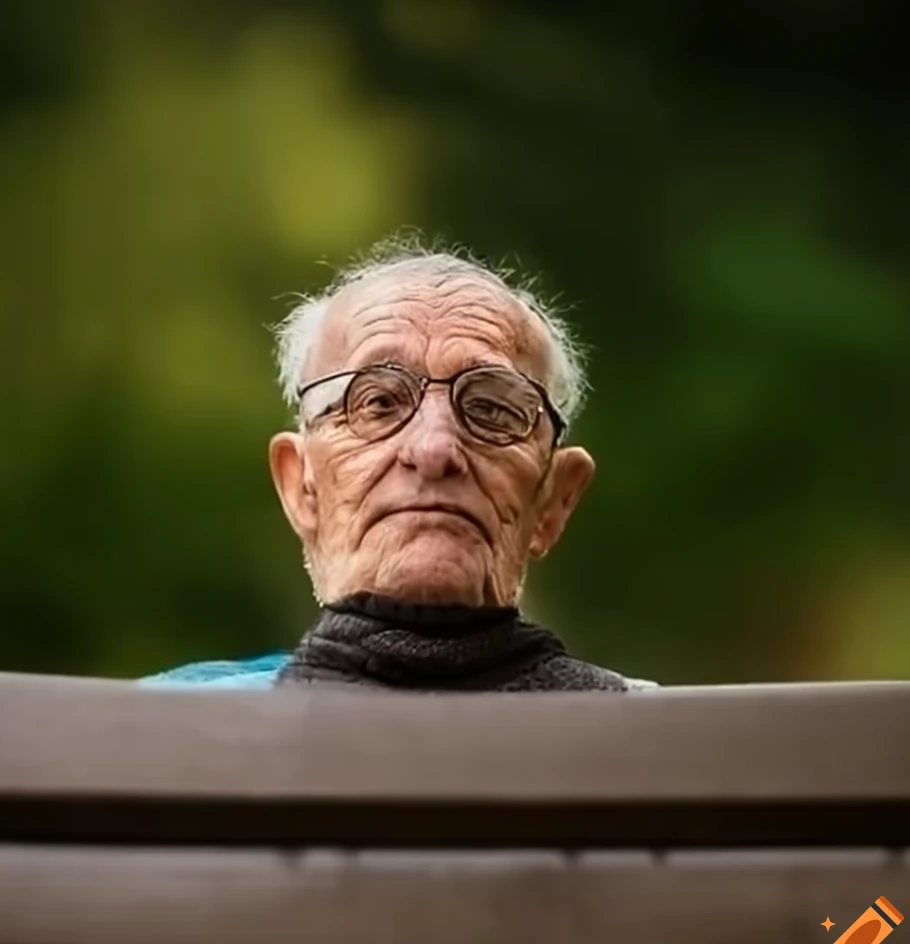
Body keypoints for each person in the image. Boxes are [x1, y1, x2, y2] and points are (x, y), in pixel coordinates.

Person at [142, 239, 657, 693]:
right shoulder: (155, 733)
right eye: (379, 402)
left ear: (554, 499)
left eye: (492, 409)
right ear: (301, 486)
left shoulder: (660, 746)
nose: (434, 450)